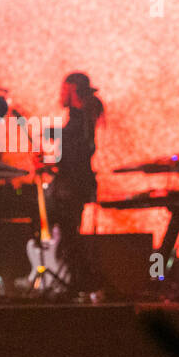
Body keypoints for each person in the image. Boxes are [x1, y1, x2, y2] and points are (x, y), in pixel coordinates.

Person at [40, 72, 103, 296]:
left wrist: (50, 160)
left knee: (68, 235)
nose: (60, 94)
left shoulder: (80, 120)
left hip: (71, 187)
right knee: (68, 235)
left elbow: (75, 155)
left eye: (63, 89)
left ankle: (79, 281)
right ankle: (76, 280)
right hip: (72, 185)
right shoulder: (80, 118)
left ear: (73, 89)